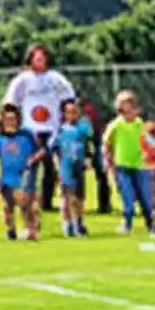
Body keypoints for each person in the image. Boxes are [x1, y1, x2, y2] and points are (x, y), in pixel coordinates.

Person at [2, 44, 76, 213]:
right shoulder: (22, 80)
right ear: (30, 60)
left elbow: (68, 99)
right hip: (30, 130)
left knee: (51, 168)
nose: (40, 62)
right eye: (37, 59)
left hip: (52, 128)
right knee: (30, 168)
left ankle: (47, 201)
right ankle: (27, 199)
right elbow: (11, 102)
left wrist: (67, 119)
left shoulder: (55, 78)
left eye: (43, 58)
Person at [0, 103, 43, 240]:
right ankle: (11, 229)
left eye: (13, 119)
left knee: (26, 205)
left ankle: (31, 230)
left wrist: (32, 159)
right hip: (7, 177)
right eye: (7, 119)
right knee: (7, 207)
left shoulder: (26, 135)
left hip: (24, 176)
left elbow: (41, 151)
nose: (10, 122)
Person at [103, 91, 155, 237]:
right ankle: (127, 222)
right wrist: (109, 160)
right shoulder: (116, 125)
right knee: (127, 195)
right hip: (122, 166)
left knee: (146, 196)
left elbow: (147, 140)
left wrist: (154, 152)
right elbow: (107, 142)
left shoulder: (139, 123)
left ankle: (151, 223)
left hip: (140, 165)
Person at [53, 101, 92, 237]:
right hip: (66, 167)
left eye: (74, 111)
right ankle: (67, 223)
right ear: (64, 114)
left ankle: (79, 223)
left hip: (78, 167)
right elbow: (56, 150)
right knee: (66, 197)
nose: (72, 115)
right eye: (69, 112)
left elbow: (87, 146)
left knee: (79, 198)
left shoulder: (82, 128)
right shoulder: (61, 130)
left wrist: (88, 160)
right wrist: (58, 167)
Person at [77, 92, 113, 214]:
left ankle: (104, 205)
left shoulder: (89, 113)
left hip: (96, 143)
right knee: (97, 175)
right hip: (86, 145)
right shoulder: (89, 111)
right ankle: (80, 205)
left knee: (100, 174)